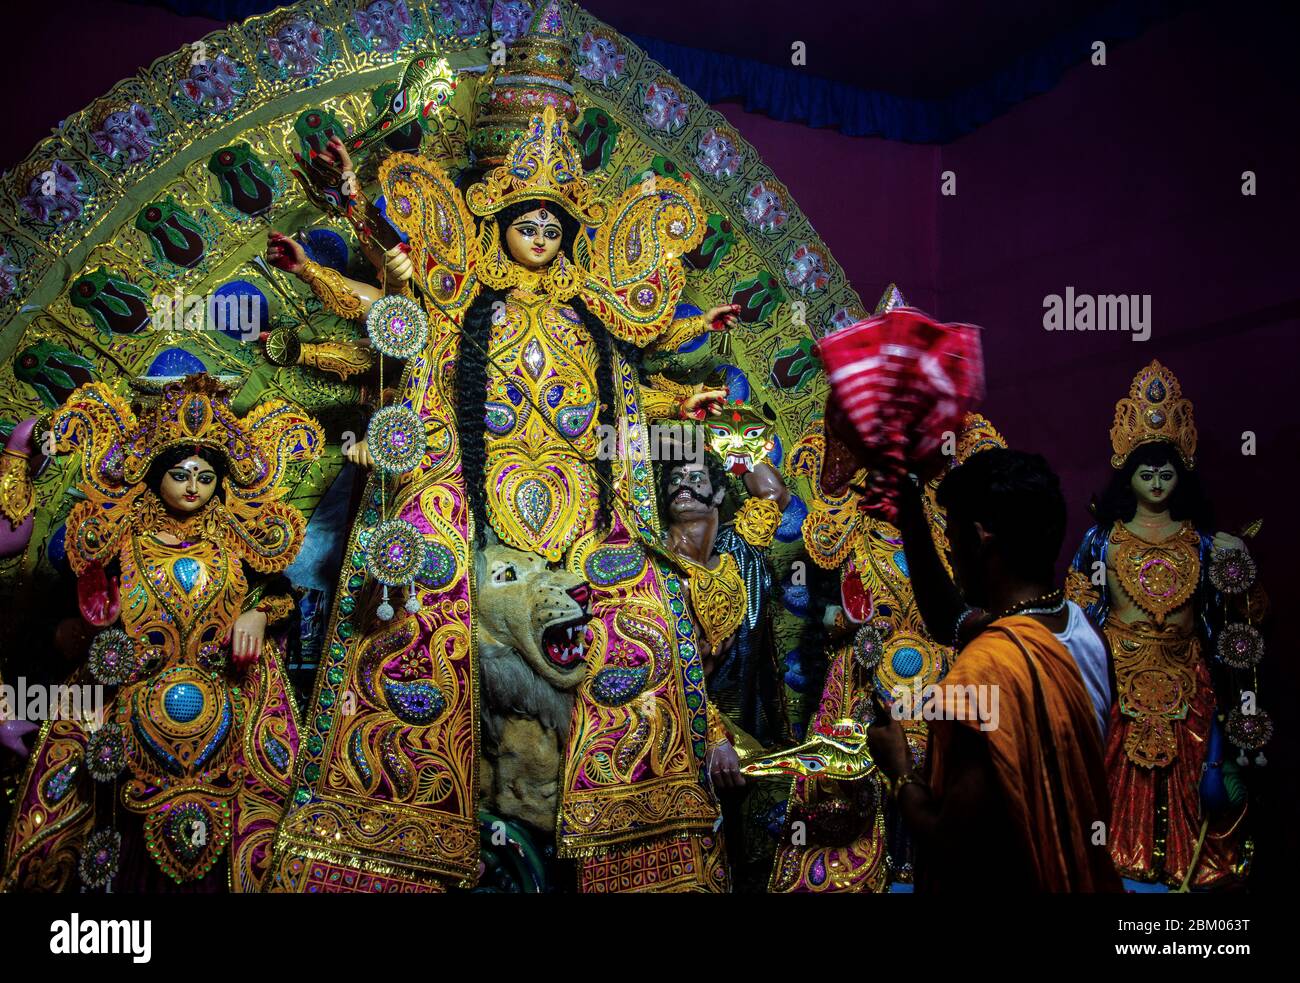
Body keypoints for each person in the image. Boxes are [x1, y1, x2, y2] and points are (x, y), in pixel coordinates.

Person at [266, 97, 747, 890]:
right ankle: (393, 830)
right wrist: (350, 207)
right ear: (498, 225)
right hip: (477, 527)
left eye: (555, 230)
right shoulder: (461, 310)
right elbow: (394, 283)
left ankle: (643, 830)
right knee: (414, 597)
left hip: (582, 532)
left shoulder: (591, 323)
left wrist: (680, 402)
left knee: (651, 608)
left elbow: (624, 400)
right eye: (529, 224)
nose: (542, 239)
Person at [2, 375, 320, 892]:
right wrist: (86, 632)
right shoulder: (121, 535)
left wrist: (257, 616)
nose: (193, 486)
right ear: (155, 476)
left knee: (232, 835)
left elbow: (279, 595)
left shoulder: (234, 536)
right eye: (179, 473)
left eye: (206, 477)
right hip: (132, 704)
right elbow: (76, 605)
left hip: (224, 703)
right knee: (115, 838)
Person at [867, 448, 1121, 892]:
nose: (951, 553)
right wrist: (911, 518)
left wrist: (900, 769)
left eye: (952, 539)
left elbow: (952, 845)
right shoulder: (1084, 634)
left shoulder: (984, 670)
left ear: (980, 538)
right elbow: (949, 619)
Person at [1067, 360, 1260, 889]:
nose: (1156, 483)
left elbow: (1235, 624)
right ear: (1126, 474)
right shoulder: (1103, 539)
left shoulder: (1200, 541)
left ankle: (1180, 861)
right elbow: (1078, 612)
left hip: (1184, 669)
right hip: (1118, 672)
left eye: (1167, 473)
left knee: (1192, 772)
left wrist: (1235, 568)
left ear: (1183, 474)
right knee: (1108, 774)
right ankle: (1109, 861)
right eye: (1145, 472)